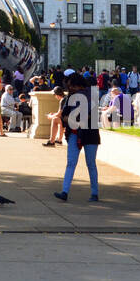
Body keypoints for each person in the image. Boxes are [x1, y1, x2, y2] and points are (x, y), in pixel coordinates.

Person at [54, 74, 100, 202]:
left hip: (89, 133)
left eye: (71, 86)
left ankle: (94, 192)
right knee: (71, 163)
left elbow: (92, 115)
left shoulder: (92, 95)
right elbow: (64, 115)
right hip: (75, 132)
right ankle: (64, 191)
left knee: (90, 164)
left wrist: (74, 118)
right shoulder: (70, 97)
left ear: (79, 84)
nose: (70, 89)